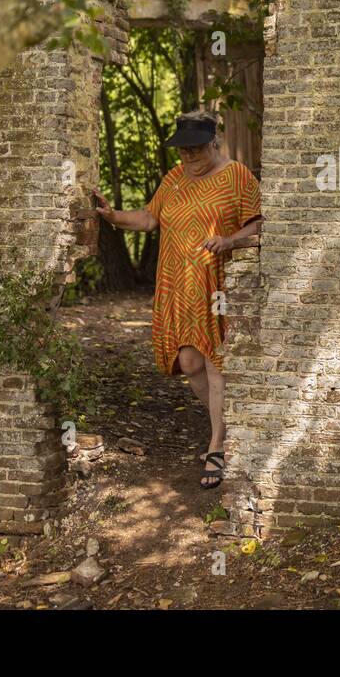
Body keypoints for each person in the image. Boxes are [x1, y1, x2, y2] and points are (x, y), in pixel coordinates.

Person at [92, 110, 262, 488]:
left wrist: (231, 240)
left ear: (213, 143)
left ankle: (217, 445)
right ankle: (226, 428)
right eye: (183, 151)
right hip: (179, 284)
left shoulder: (237, 176)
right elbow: (150, 219)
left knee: (217, 361)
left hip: (218, 283)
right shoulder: (173, 179)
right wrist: (112, 215)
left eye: (196, 150)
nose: (188, 158)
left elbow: (259, 221)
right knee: (190, 362)